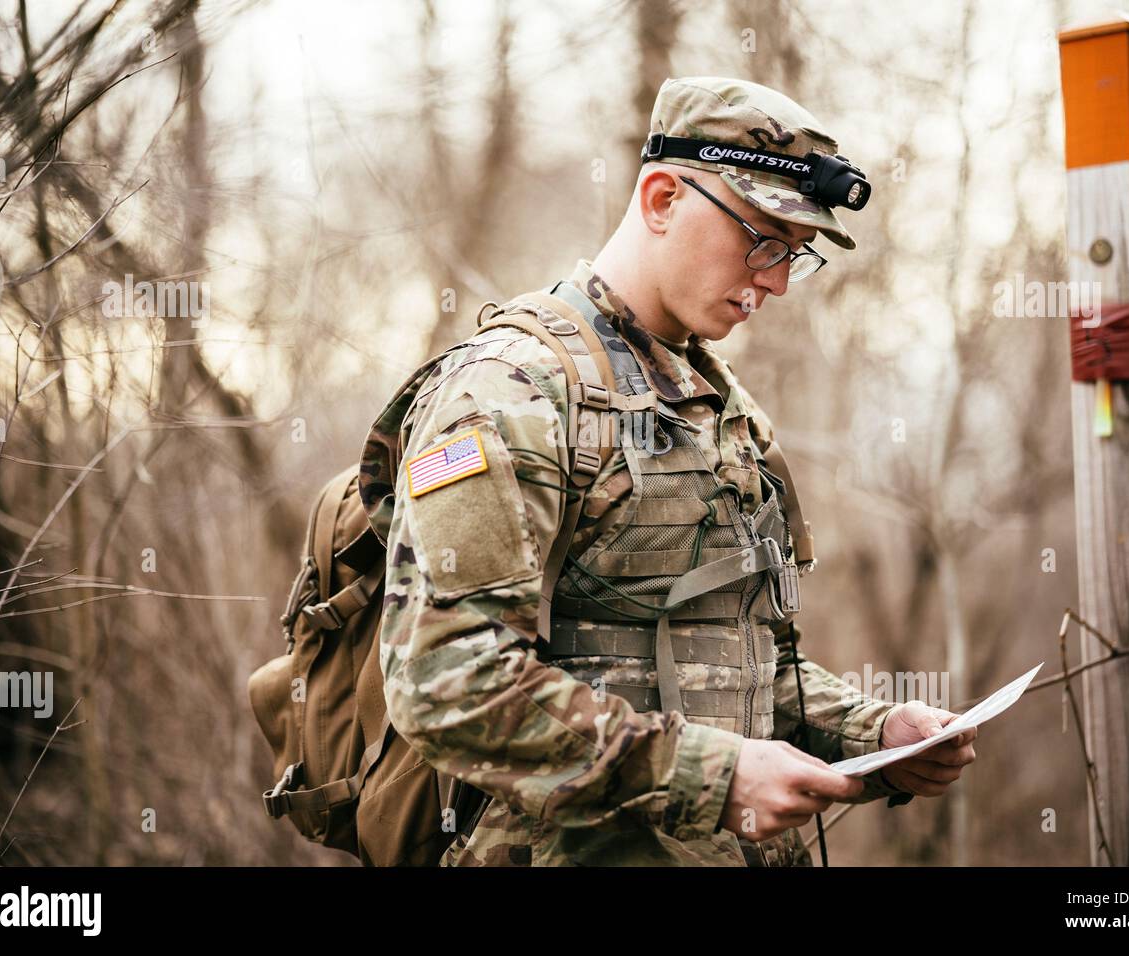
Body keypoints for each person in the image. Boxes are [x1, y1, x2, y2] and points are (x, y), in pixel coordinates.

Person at [359, 75, 976, 866]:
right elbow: (446, 681)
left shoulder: (717, 402)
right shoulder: (510, 390)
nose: (777, 282)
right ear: (660, 200)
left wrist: (871, 731)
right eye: (762, 240)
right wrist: (712, 776)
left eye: (795, 255)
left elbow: (728, 661)